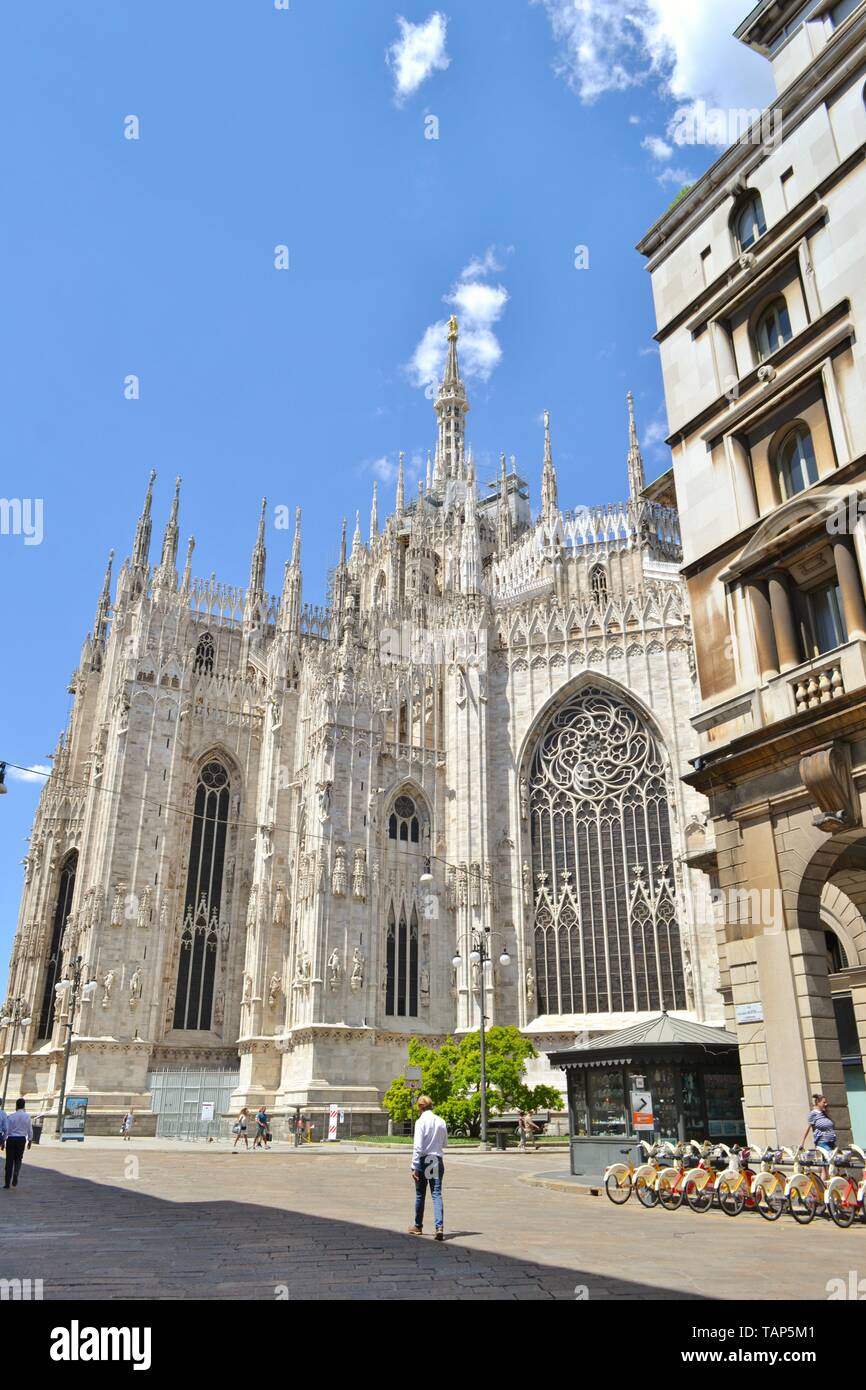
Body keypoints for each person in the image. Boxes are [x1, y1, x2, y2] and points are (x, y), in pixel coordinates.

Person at [408, 1095, 447, 1241]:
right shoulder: (441, 1121)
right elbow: (445, 1143)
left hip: (424, 1160)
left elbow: (418, 1147)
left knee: (420, 1194)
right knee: (436, 1193)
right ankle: (439, 1227)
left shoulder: (420, 1122)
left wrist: (414, 1166)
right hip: (436, 1159)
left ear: (420, 1107)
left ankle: (418, 1225)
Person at [799, 1094, 837, 1182]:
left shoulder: (824, 1113)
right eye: (824, 1102)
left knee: (827, 1167)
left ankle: (824, 1187)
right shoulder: (813, 1114)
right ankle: (823, 1188)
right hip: (822, 1143)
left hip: (831, 1142)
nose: (826, 1104)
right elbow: (808, 1128)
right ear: (818, 1103)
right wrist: (802, 1142)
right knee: (829, 1165)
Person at [4, 1098, 33, 1190]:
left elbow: (7, 1130)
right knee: (18, 1159)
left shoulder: (11, 1116)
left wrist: (3, 1141)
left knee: (9, 1160)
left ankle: (7, 1183)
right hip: (21, 1139)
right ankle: (16, 1171)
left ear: (16, 1105)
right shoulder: (27, 1117)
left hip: (11, 1139)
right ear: (24, 1106)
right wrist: (30, 1140)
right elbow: (30, 1130)